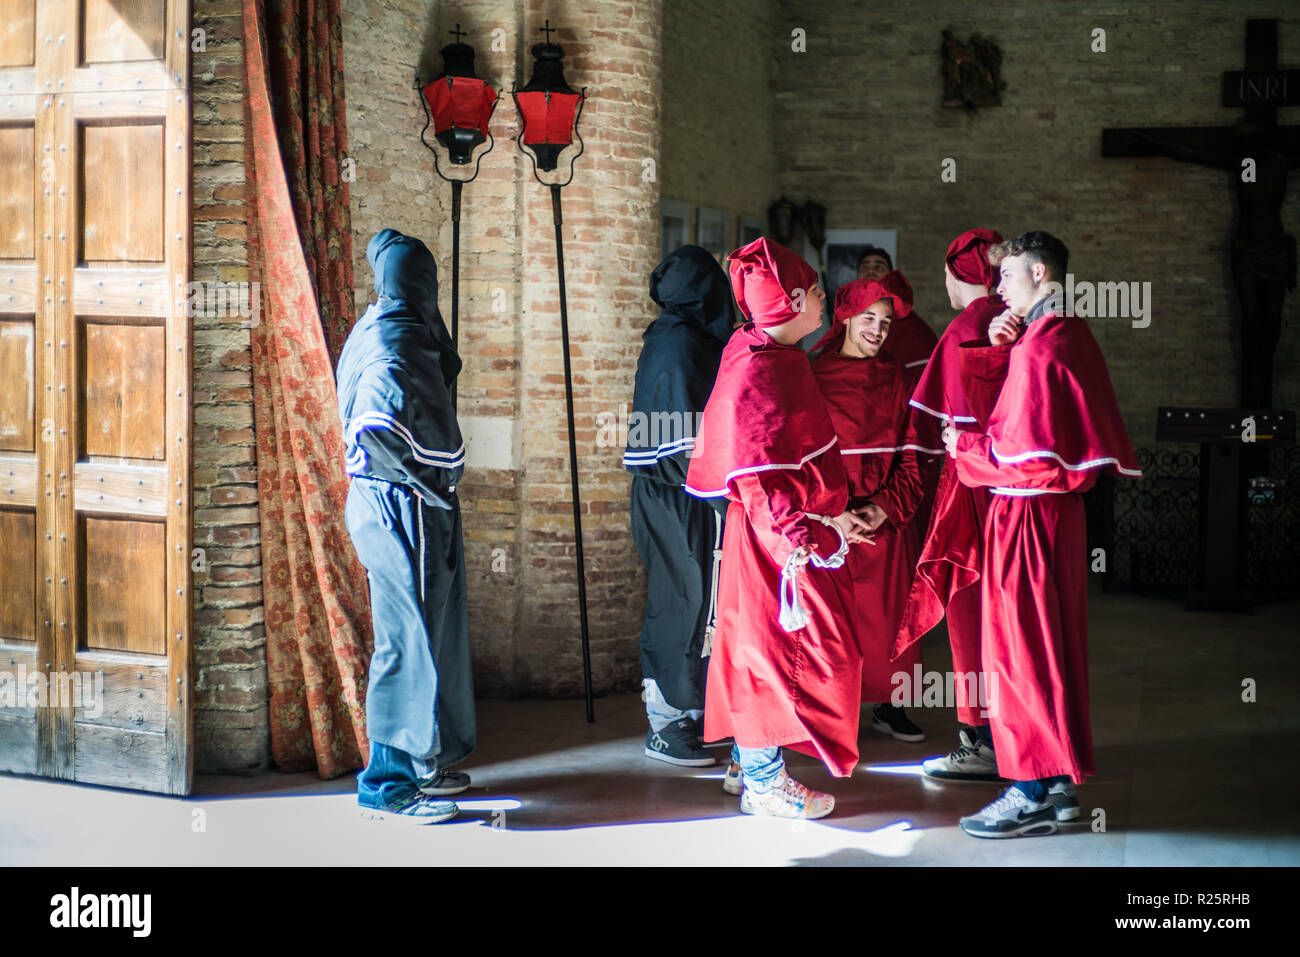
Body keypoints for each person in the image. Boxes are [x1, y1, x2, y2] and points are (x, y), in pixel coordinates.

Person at [943, 231, 1140, 838]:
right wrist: (1006, 347)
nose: (995, 286)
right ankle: (1055, 785)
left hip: (1028, 514)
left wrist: (963, 447)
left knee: (1020, 652)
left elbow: (1024, 453)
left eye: (1005, 275)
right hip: (1052, 517)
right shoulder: (1058, 332)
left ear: (1038, 272)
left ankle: (1028, 791)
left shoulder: (1045, 343)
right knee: (1046, 648)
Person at [685, 237, 874, 819]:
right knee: (775, 654)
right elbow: (761, 480)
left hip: (787, 533)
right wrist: (812, 540)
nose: (825, 298)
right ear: (791, 303)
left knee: (764, 651)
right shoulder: (756, 367)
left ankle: (751, 762)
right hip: (777, 544)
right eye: (816, 290)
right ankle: (765, 782)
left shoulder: (772, 353)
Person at [338, 229, 475, 825]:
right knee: (404, 645)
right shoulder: (395, 335)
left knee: (429, 640)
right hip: (397, 509)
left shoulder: (383, 325)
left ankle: (421, 763)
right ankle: (386, 785)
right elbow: (374, 424)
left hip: (403, 505)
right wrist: (424, 478)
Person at [896, 228, 1007, 781]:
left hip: (973, 487)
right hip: (1018, 494)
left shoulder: (967, 327)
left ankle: (980, 739)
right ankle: (1017, 739)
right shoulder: (1021, 322)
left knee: (968, 611)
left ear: (954, 275)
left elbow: (952, 425)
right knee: (1009, 618)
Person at [623, 246, 735, 767]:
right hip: (673, 496)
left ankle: (691, 711)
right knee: (680, 601)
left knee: (699, 602)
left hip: (686, 494)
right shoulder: (677, 345)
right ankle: (665, 723)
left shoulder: (689, 338)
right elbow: (665, 445)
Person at [810, 274, 927, 744]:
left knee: (890, 621)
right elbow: (804, 455)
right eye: (868, 319)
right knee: (831, 624)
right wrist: (835, 513)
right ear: (845, 318)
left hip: (884, 522)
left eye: (884, 321)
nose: (877, 329)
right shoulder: (812, 376)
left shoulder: (898, 379)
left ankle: (891, 706)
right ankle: (828, 711)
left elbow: (912, 457)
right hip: (831, 522)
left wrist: (882, 507)